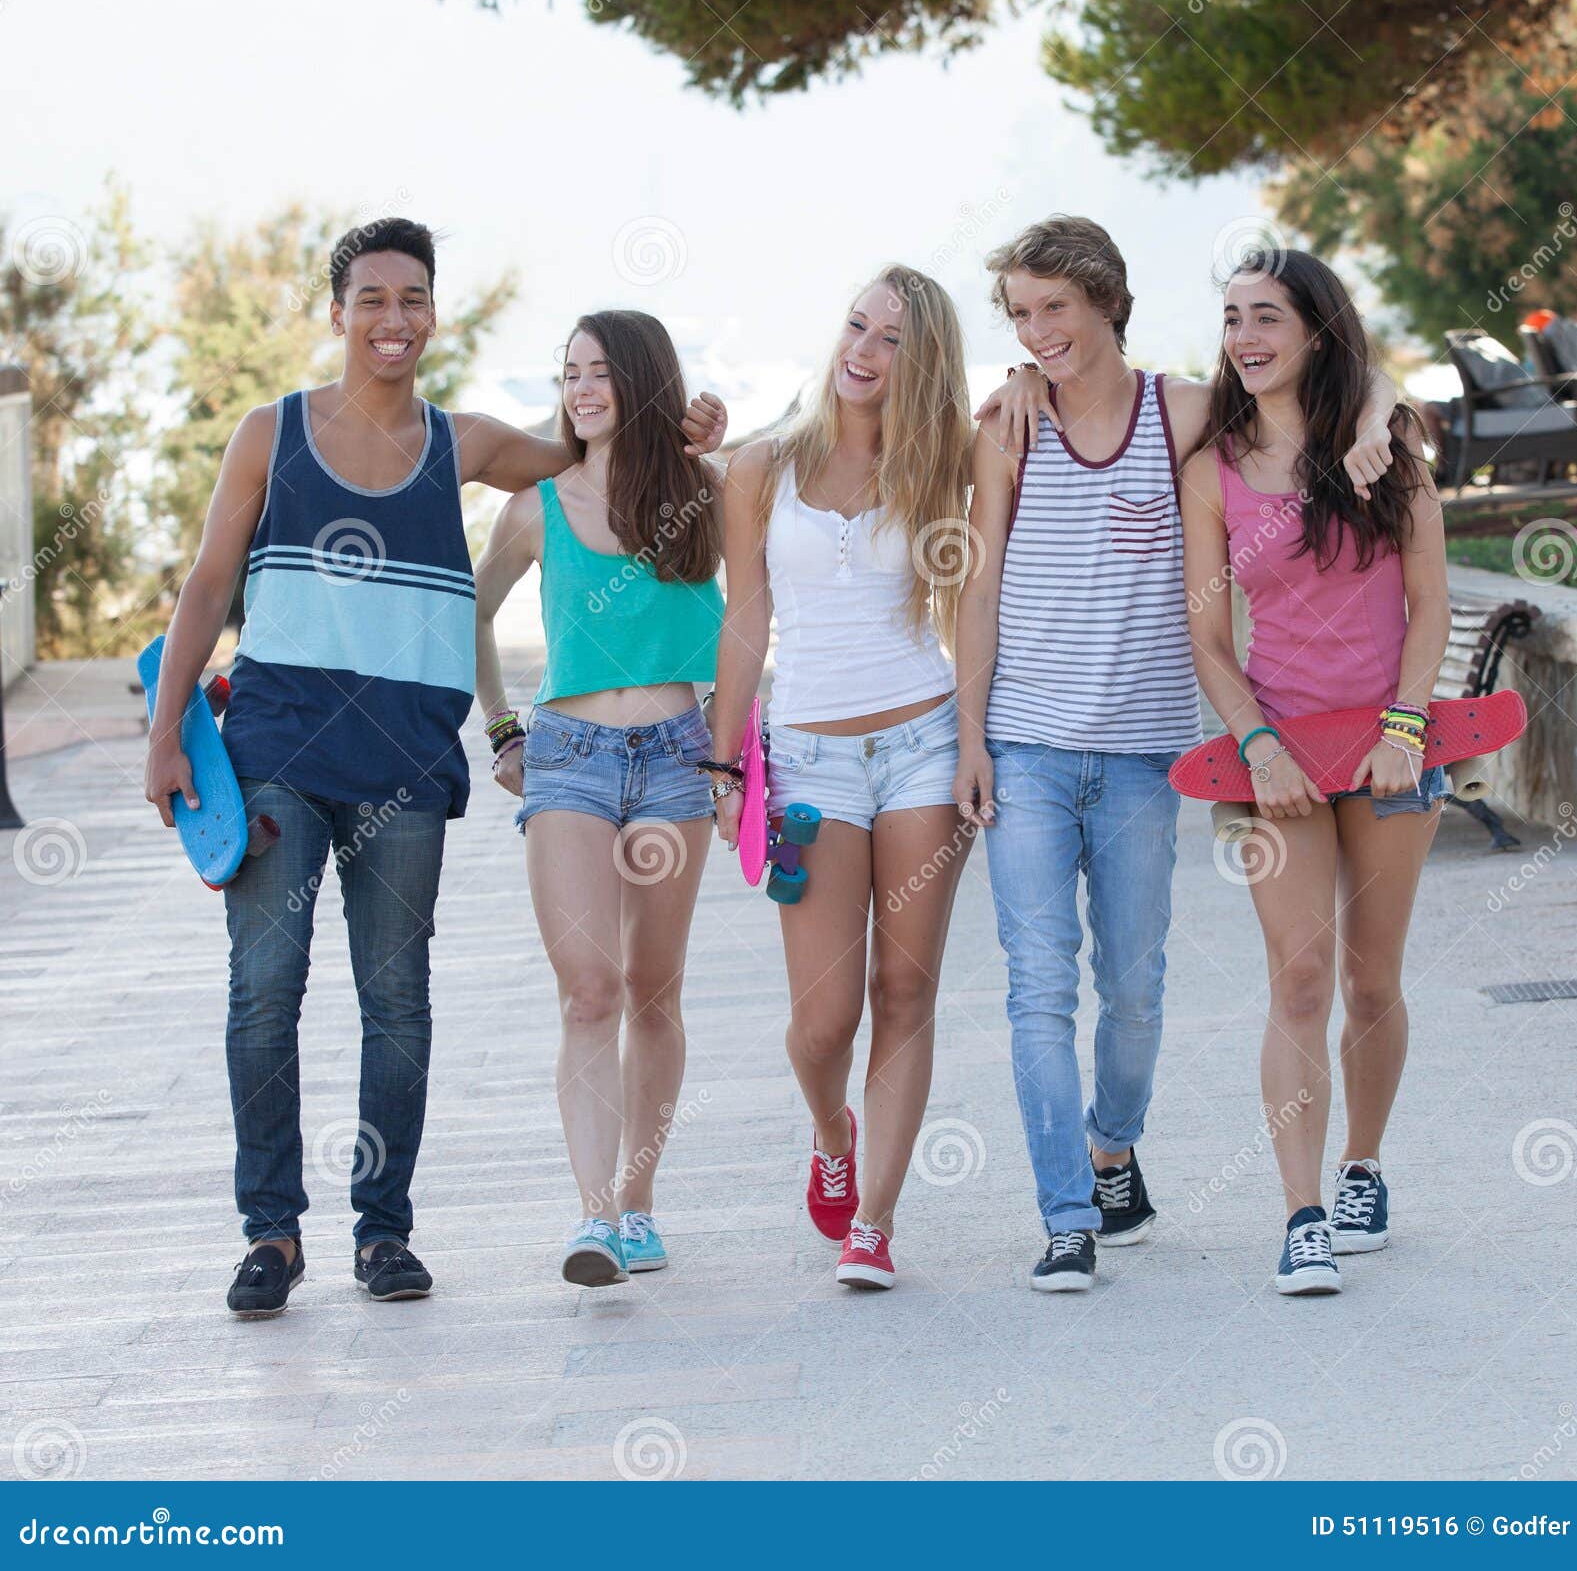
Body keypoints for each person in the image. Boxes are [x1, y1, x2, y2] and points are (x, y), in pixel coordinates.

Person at [143, 220, 725, 1316]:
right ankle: (270, 1231)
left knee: (396, 1002)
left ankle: (383, 1233)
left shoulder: (470, 447)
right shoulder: (271, 434)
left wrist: (687, 424)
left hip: (403, 769)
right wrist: (166, 728)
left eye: (413, 298)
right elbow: (207, 584)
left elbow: (597, 456)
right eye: (371, 298)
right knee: (264, 993)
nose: (393, 318)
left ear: (434, 314)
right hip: (273, 752)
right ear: (337, 313)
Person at [956, 216, 1400, 1292]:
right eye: (1019, 316)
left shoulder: (1188, 416)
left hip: (1149, 752)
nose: (1039, 331)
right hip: (1025, 744)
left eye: (1055, 308)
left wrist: (1383, 407)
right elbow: (974, 587)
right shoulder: (1007, 428)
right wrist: (969, 737)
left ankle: (1114, 1146)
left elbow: (1334, 375)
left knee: (1136, 988)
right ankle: (1066, 1213)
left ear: (1109, 301)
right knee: (1036, 988)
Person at [1179, 247, 1448, 1295]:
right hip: (1273, 751)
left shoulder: (1387, 453)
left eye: (1267, 318)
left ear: (1316, 332)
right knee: (1296, 974)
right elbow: (1208, 637)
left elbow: (1428, 603)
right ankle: (1299, 1216)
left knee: (1370, 977)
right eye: (1233, 317)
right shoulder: (1214, 467)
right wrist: (1254, 741)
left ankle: (1362, 1167)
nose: (1245, 337)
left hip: (1391, 746)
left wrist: (1406, 725)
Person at [709, 265, 975, 1291]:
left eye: (893, 339)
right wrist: (726, 760)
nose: (862, 350)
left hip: (922, 742)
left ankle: (874, 1221)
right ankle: (832, 1133)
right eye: (856, 326)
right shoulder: (763, 466)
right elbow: (746, 623)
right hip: (809, 756)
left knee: (904, 987)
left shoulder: (950, 463)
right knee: (823, 1019)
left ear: (928, 360)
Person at [473, 311, 723, 1286]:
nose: (579, 389)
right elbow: (472, 607)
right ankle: (593, 1217)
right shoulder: (535, 506)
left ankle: (639, 1201)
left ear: (642, 380)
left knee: (652, 989)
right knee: (589, 989)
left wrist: (738, 749)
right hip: (568, 756)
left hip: (676, 759)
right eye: (568, 372)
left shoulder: (707, 491)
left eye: (599, 372)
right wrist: (501, 727)